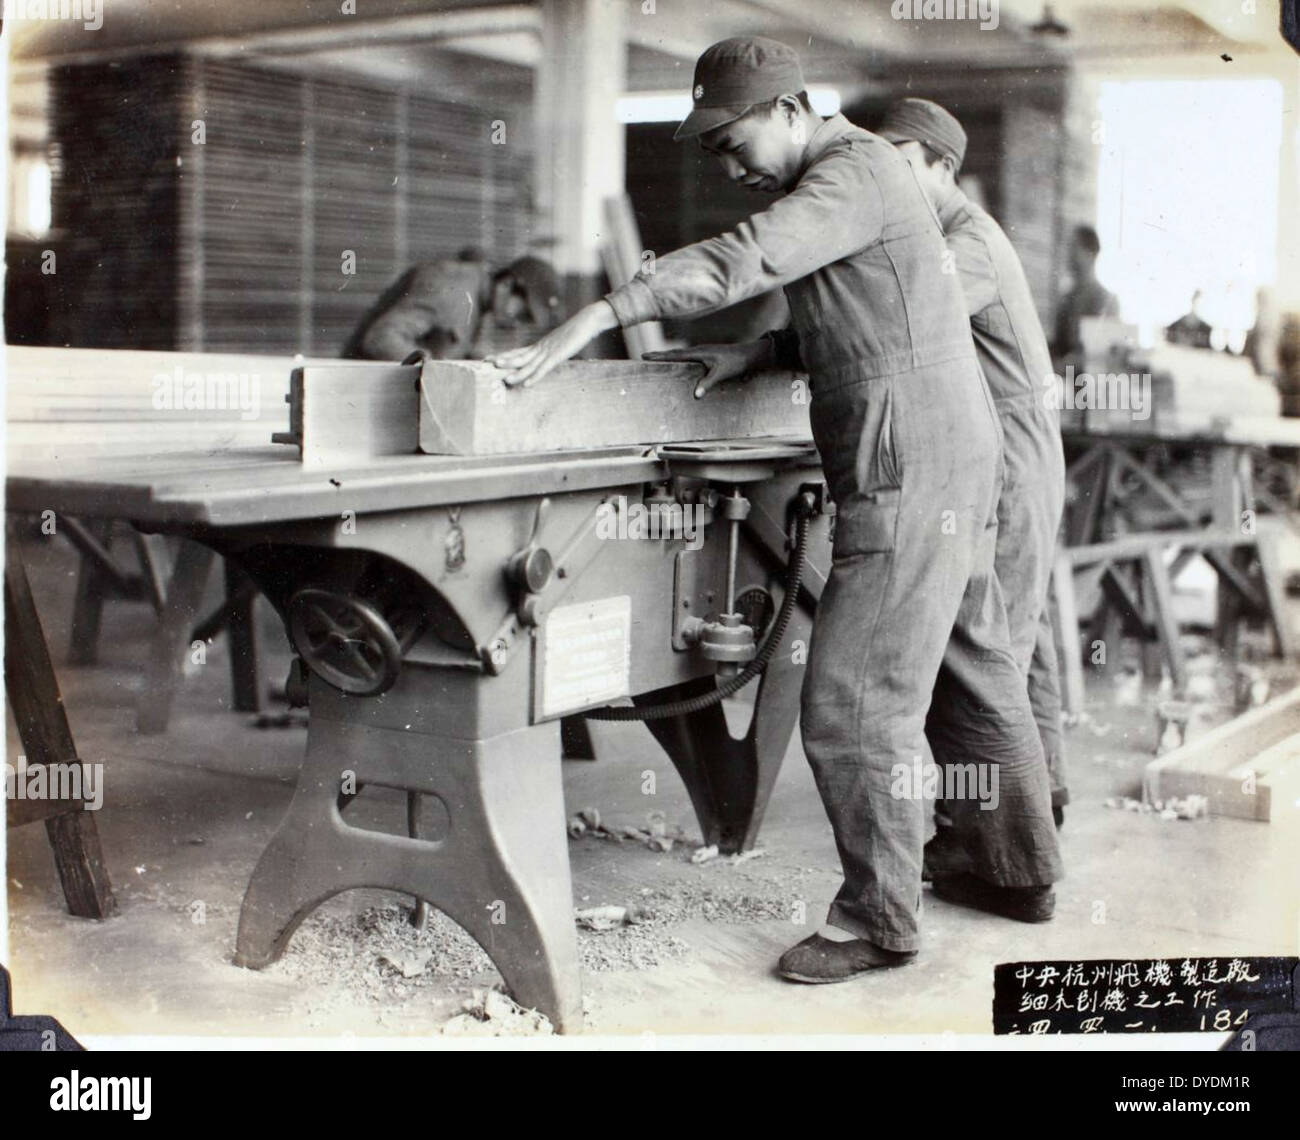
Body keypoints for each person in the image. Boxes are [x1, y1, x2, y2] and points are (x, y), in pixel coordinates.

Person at [488, 37, 1062, 983]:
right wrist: (749, 359)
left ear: (792, 108)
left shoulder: (851, 171)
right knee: (971, 665)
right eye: (712, 151)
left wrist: (604, 312)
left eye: (732, 140)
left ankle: (878, 919)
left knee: (850, 696)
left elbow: (750, 259)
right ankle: (1012, 871)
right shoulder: (863, 180)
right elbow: (859, 311)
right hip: (946, 454)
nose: (728, 165)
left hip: (905, 461)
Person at [876, 98, 1069, 850]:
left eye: (896, 162)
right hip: (1006, 439)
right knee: (1028, 633)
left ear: (939, 164)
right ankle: (1043, 795)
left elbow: (907, 328)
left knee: (995, 655)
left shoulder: (969, 243)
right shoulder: (947, 236)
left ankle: (976, 842)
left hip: (1012, 450)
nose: (882, 180)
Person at [342, 248, 563, 361]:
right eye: (523, 313)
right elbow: (381, 338)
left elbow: (451, 342)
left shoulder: (479, 293)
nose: (518, 322)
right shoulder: (453, 289)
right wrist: (438, 371)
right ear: (507, 284)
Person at [1051, 224, 1119, 366]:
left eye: (1074, 248)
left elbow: (1102, 355)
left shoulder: (1106, 300)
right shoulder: (1066, 300)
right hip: (1064, 383)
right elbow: (1057, 347)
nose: (1069, 255)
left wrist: (1065, 364)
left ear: (1090, 253)